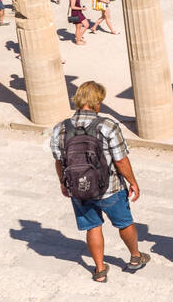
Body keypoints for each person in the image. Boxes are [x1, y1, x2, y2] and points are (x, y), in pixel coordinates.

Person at [50, 80, 149, 283]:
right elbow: (120, 160)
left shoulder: (61, 128)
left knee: (92, 227)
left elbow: (59, 161)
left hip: (78, 188)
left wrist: (63, 182)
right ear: (97, 103)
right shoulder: (107, 125)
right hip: (110, 188)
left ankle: (100, 270)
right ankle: (135, 257)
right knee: (124, 223)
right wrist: (133, 182)